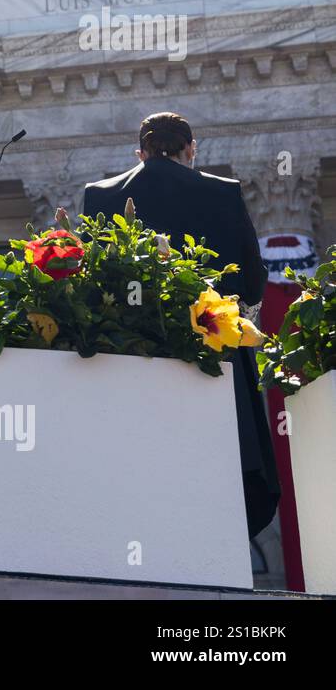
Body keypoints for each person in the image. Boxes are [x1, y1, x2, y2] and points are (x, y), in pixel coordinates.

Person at [82, 111, 279, 539]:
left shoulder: (99, 196)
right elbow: (250, 279)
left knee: (144, 487)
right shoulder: (222, 193)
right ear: (191, 150)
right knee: (222, 490)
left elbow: (92, 287)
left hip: (131, 362)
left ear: (141, 152)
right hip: (214, 357)